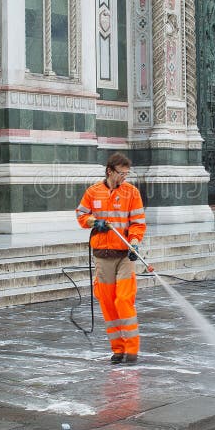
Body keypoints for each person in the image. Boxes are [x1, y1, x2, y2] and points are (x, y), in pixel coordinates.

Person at [76, 153, 146, 364]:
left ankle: (132, 349)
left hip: (124, 255)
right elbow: (81, 215)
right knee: (108, 303)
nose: (124, 177)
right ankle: (118, 349)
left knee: (123, 299)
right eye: (121, 173)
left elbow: (138, 222)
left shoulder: (131, 192)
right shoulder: (93, 192)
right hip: (102, 256)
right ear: (109, 171)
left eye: (127, 173)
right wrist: (93, 222)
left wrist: (134, 242)